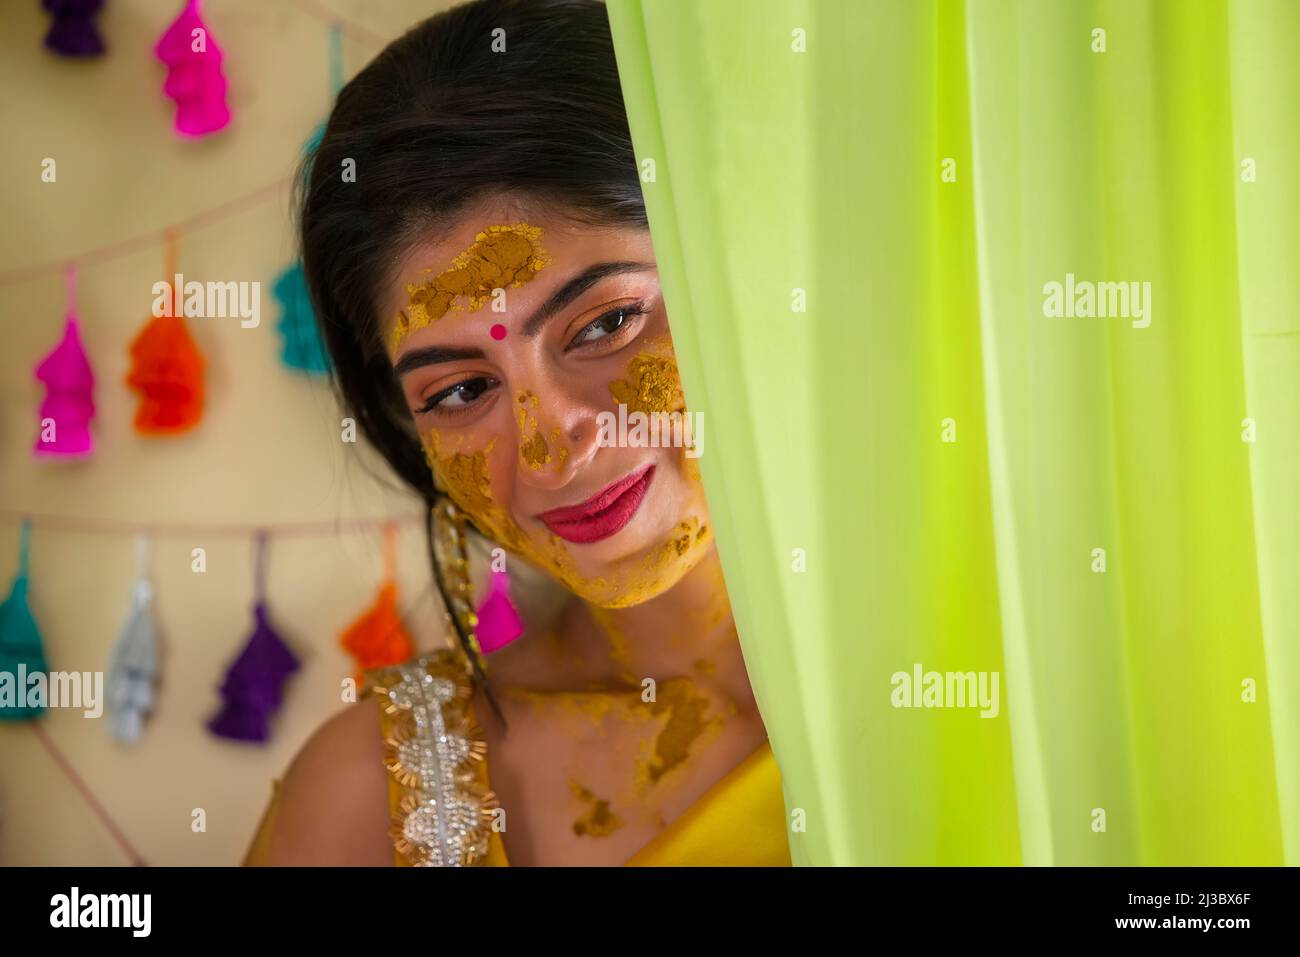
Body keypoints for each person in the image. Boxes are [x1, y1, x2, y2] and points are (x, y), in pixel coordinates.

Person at [243, 0, 789, 867]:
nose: (548, 446)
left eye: (605, 324)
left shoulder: (1004, 666)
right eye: (461, 389)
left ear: (739, 270)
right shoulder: (369, 797)